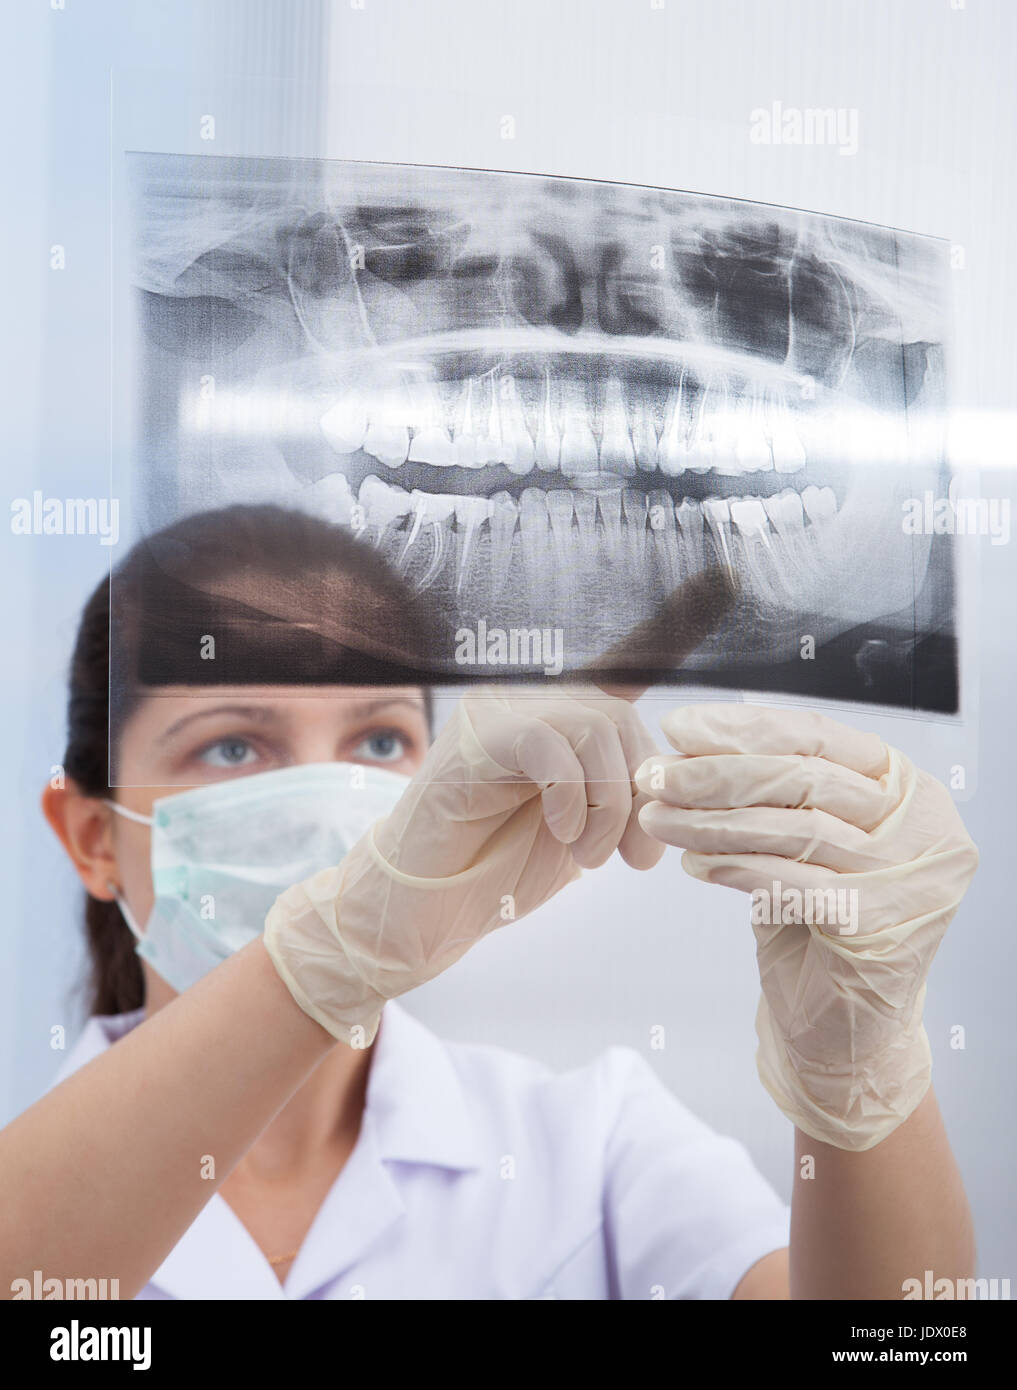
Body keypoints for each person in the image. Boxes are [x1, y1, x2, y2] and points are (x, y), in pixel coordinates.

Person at [2, 504, 977, 1301]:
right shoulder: (39, 1175)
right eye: (231, 744)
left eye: (380, 741)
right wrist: (325, 957)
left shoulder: (588, 1146)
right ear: (93, 836)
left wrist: (861, 1069)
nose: (326, 797)